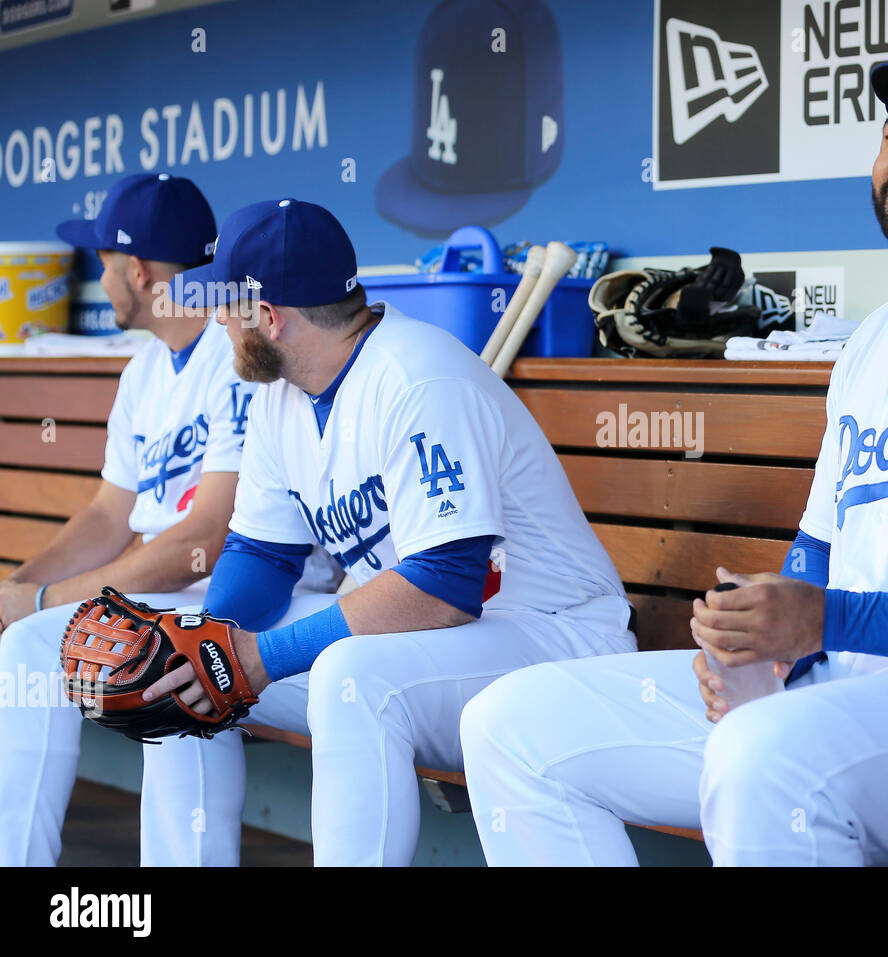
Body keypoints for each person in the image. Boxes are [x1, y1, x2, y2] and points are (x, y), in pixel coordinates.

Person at [457, 35, 888, 866]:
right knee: (510, 722)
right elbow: (818, 554)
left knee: (769, 759)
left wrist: (824, 619)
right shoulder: (871, 348)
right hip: (854, 692)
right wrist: (762, 640)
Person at [138, 198, 636, 866]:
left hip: (554, 634)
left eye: (226, 306)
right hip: (439, 641)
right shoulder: (282, 395)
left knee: (351, 674)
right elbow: (262, 554)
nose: (216, 320)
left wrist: (256, 659)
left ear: (269, 317)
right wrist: (212, 639)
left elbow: (443, 587)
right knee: (187, 665)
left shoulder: (416, 376)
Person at [0, 173, 257, 865]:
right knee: (24, 633)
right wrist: (16, 591)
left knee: (38, 648)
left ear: (138, 271)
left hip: (234, 594)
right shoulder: (144, 371)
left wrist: (45, 603)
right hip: (163, 591)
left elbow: (206, 540)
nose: (103, 277)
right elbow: (110, 513)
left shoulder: (234, 357)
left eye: (106, 263)